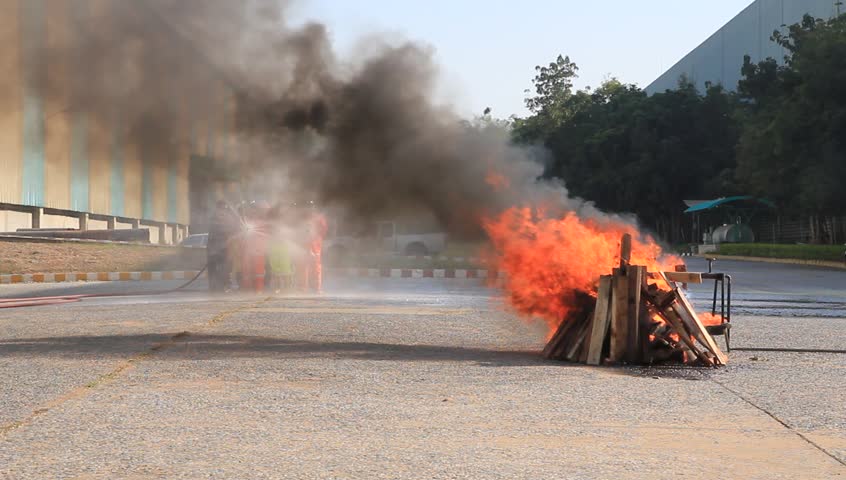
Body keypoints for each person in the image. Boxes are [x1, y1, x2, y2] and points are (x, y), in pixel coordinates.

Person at [206, 201, 235, 292]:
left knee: (221, 268)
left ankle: (218, 286)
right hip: (218, 247)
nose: (222, 211)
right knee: (220, 268)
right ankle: (219, 286)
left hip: (218, 247)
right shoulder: (219, 218)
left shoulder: (215, 217)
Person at [268, 224, 295, 294]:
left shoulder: (287, 243)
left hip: (285, 262)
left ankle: (286, 288)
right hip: (276, 263)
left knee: (286, 276)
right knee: (277, 276)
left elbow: (291, 253)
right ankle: (278, 288)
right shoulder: (273, 243)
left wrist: (292, 261)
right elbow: (270, 253)